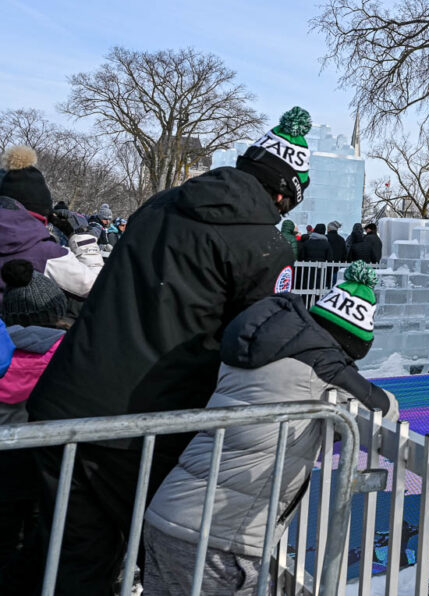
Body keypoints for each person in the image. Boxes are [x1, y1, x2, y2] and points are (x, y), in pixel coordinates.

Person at [27, 106, 314, 596]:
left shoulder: (161, 204)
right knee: (168, 566)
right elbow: (254, 344)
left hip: (66, 404)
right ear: (284, 192)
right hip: (145, 424)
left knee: (65, 562)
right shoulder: (265, 244)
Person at [142, 261, 396, 595]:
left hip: (171, 516)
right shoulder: (321, 367)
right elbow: (383, 409)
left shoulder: (264, 350)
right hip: (219, 540)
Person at [0, 261, 70, 595]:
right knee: (44, 535)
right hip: (49, 459)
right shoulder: (69, 353)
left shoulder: (2, 354)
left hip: (5, 458)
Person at [0, 146, 100, 309]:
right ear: (44, 211)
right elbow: (97, 286)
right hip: (26, 332)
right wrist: (80, 237)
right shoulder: (44, 252)